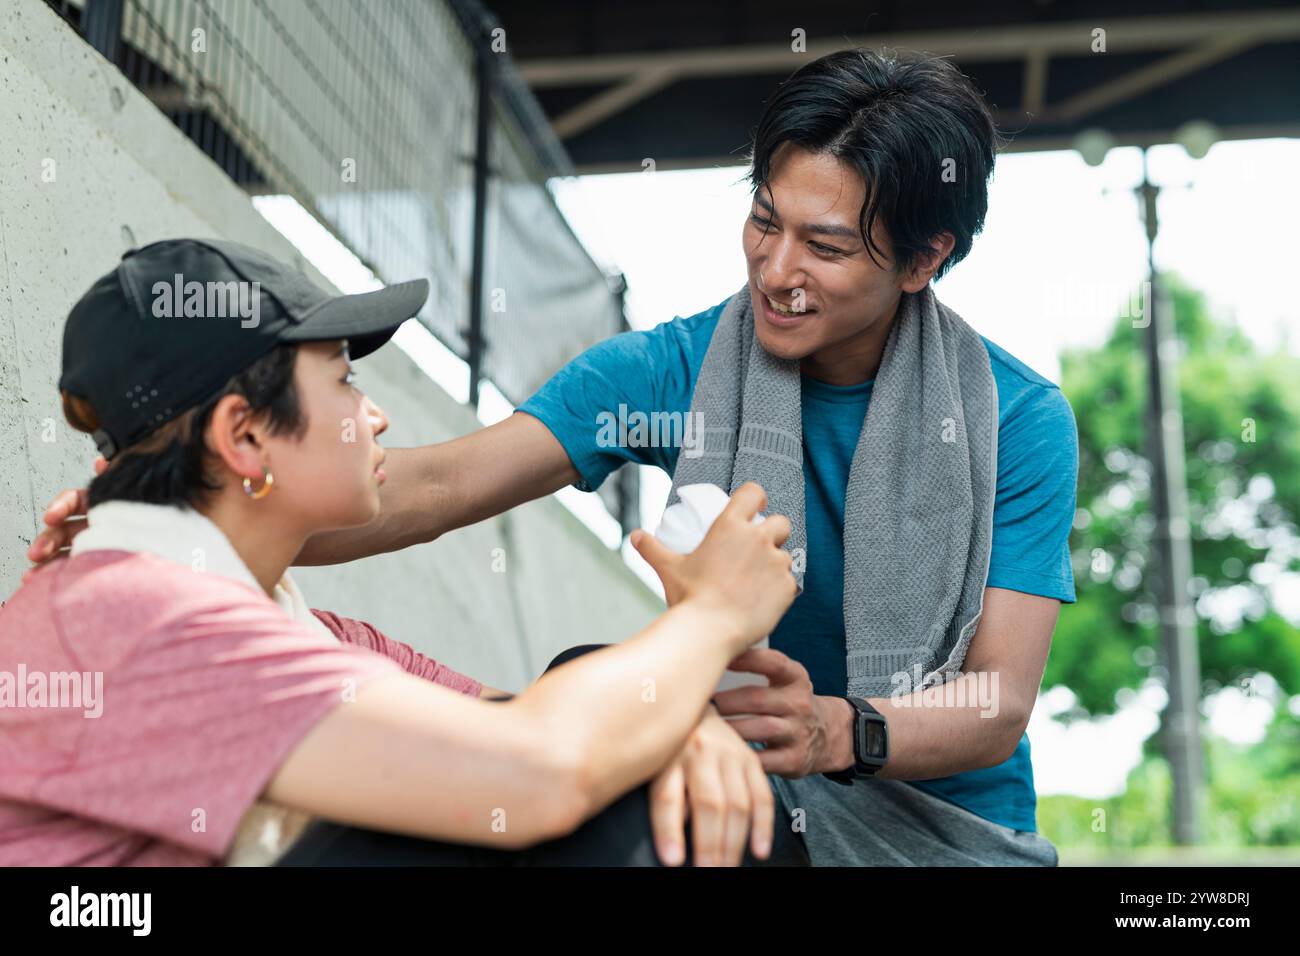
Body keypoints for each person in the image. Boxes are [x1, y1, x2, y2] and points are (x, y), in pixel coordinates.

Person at [34, 47, 1079, 866]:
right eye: (763, 219)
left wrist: (830, 730)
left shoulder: (1015, 419)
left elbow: (995, 699)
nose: (776, 267)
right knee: (601, 722)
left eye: (827, 246)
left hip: (928, 821)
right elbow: (436, 484)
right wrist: (173, 498)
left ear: (924, 257)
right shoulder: (670, 368)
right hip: (749, 778)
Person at [2, 238, 800, 867]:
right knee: (621, 809)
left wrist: (673, 720)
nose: (375, 415)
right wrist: (715, 616)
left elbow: (536, 721)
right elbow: (541, 769)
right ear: (245, 436)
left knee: (604, 708)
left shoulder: (280, 622)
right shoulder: (140, 616)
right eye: (344, 383)